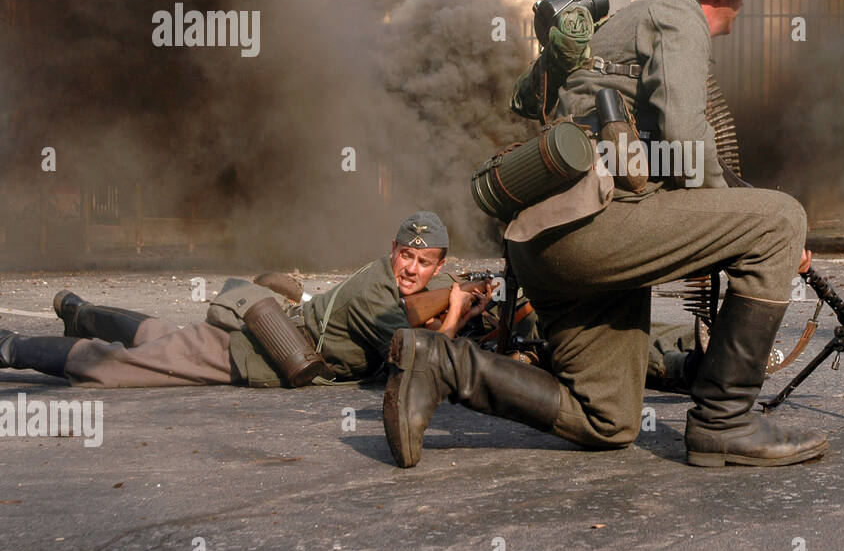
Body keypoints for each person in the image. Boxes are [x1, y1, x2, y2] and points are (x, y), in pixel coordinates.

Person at [384, 0, 828, 468]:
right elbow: (688, 142)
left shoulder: (617, 26)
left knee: (608, 420)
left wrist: (741, 219)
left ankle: (442, 366)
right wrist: (759, 232)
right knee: (783, 218)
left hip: (549, 243)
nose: (742, 6)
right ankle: (724, 421)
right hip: (593, 228)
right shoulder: (679, 17)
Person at [0, 211, 488, 388]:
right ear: (394, 251)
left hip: (252, 332)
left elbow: (406, 318)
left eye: (424, 264)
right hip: (246, 355)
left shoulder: (385, 280)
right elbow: (413, 363)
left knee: (159, 335)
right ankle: (10, 346)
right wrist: (454, 315)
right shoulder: (375, 293)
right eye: (407, 256)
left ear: (439, 267)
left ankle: (79, 311)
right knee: (113, 367)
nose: (412, 269)